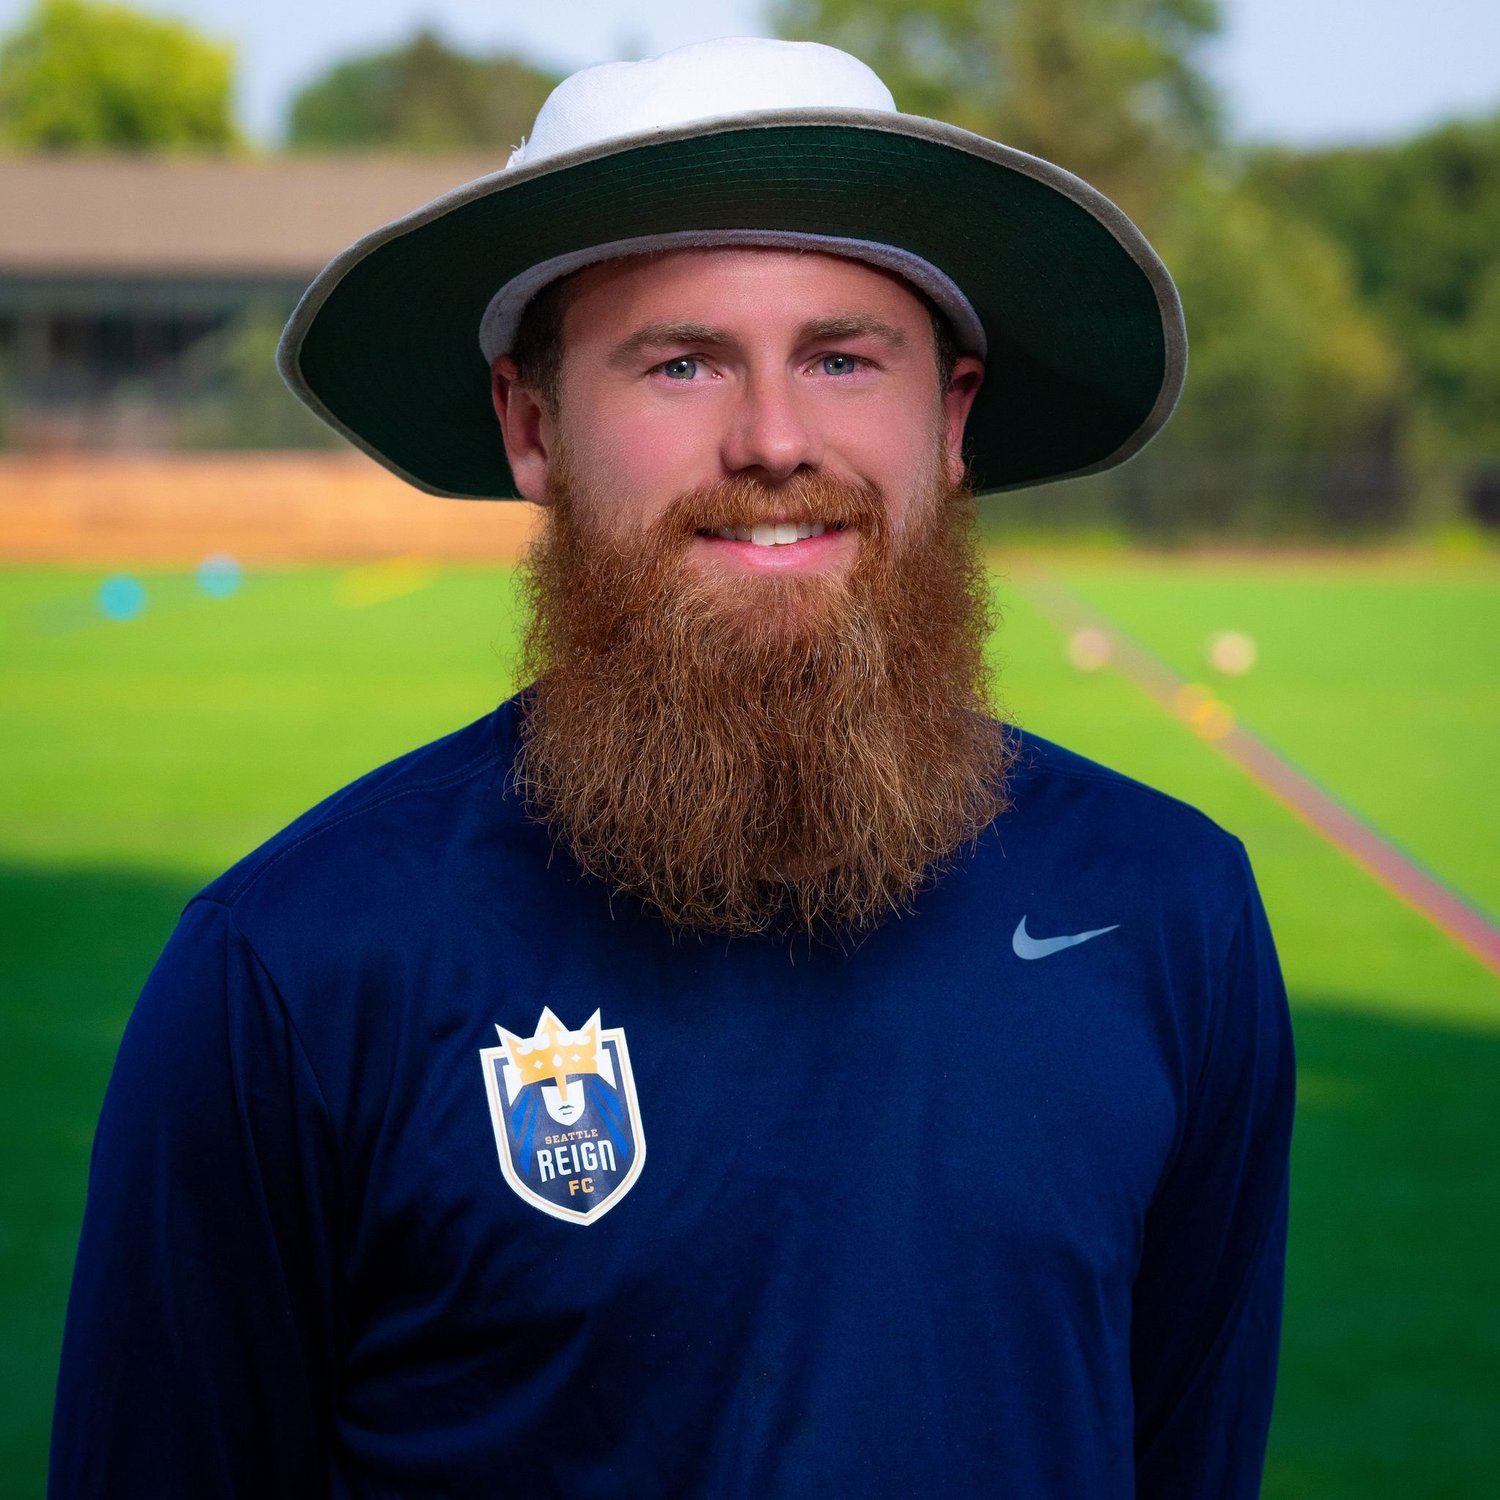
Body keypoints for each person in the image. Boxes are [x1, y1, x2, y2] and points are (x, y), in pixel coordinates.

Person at [50, 37, 1294, 1500]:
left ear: (951, 418)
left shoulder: (1171, 915)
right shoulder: (295, 967)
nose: (773, 440)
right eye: (682, 361)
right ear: (532, 425)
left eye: (841, 358)